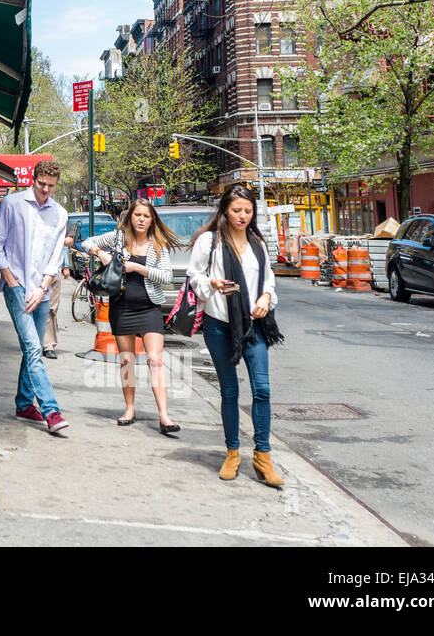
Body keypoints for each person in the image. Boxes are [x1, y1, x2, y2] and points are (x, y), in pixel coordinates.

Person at [186, 184, 286, 486]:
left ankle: (263, 456)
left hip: (254, 325)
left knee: (262, 390)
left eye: (247, 211)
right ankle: (232, 453)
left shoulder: (257, 242)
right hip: (219, 323)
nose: (242, 216)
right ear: (225, 211)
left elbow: (268, 281)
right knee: (229, 391)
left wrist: (266, 299)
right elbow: (194, 276)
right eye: (236, 210)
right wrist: (211, 285)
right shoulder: (210, 241)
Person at [83, 199, 183, 433]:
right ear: (130, 217)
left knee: (155, 359)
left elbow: (167, 277)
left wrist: (139, 268)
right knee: (127, 360)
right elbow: (84, 242)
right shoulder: (118, 239)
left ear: (152, 220)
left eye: (146, 216)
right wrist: (101, 254)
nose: (141, 219)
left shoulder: (158, 245)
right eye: (137, 215)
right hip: (121, 307)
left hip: (149, 308)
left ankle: (165, 416)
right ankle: (130, 409)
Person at [0, 160, 70, 433]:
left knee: (31, 348)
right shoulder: (12, 204)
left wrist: (43, 287)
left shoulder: (60, 214)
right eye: (41, 184)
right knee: (35, 348)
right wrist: (12, 282)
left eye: (51, 186)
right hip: (17, 286)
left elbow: (56, 255)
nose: (45, 189)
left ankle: (24, 404)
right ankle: (52, 411)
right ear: (32, 179)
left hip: (42, 288)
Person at [43, 230, 76, 358]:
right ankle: (37, 342)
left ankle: (48, 345)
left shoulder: (60, 216)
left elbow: (69, 241)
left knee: (51, 308)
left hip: (54, 272)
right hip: (33, 271)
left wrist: (65, 266)